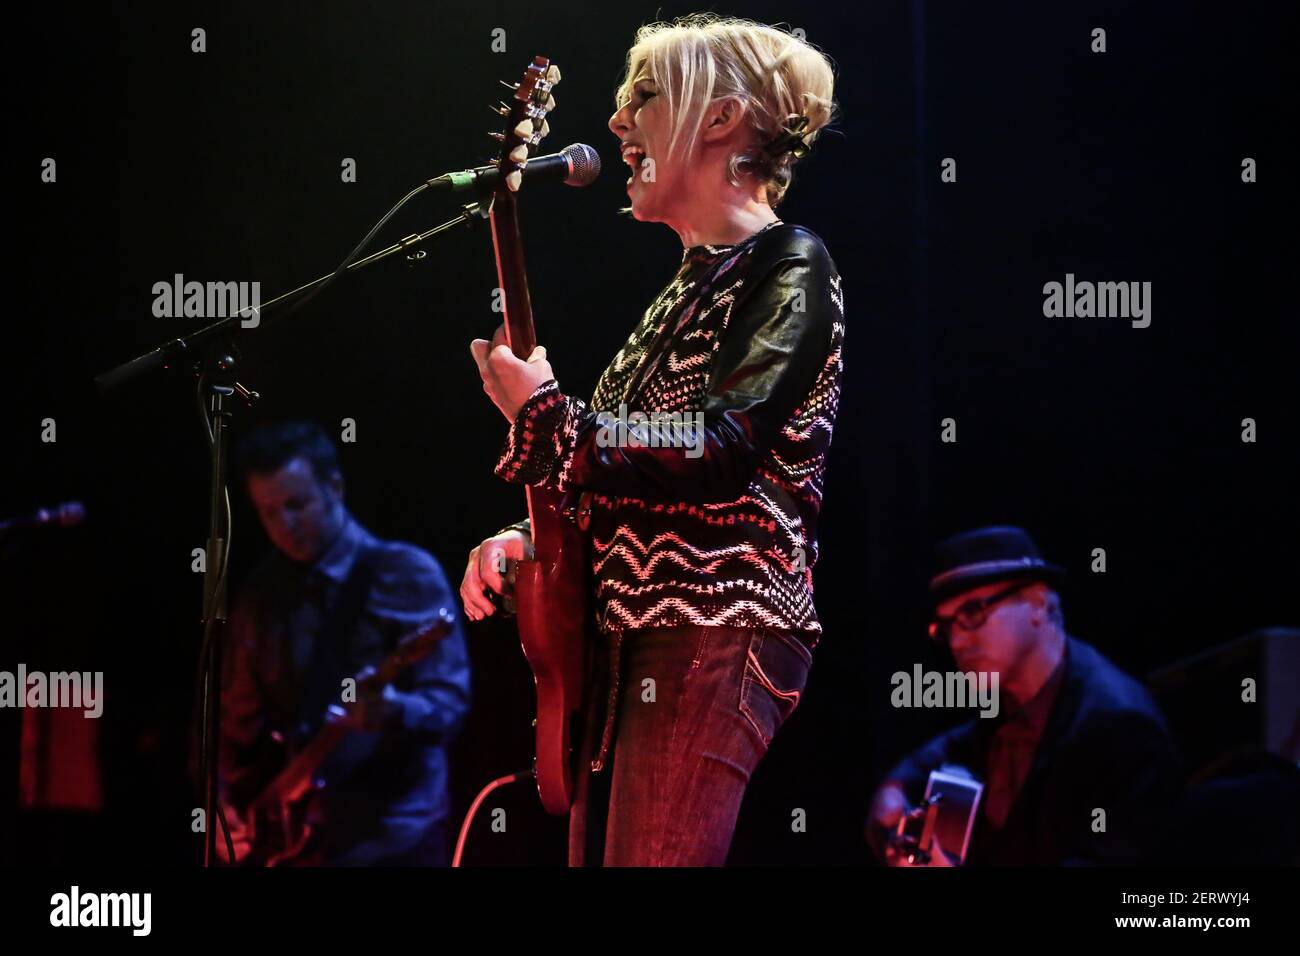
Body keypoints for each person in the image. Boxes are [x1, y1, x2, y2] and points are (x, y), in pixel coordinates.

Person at [462, 15, 844, 866]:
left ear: (719, 120)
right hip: (631, 634)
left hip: (713, 624)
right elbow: (629, 468)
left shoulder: (789, 265)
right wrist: (532, 535)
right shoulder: (682, 291)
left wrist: (553, 417)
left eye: (643, 95)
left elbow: (720, 444)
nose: (617, 123)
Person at [217, 421, 470, 865]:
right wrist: (222, 803)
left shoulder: (405, 573)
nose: (284, 525)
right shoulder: (260, 594)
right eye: (269, 512)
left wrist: (394, 710)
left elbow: (450, 703)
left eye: (297, 505)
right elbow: (232, 722)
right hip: (296, 841)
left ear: (335, 486)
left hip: (394, 835)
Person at [867, 526, 1182, 866]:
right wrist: (895, 790)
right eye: (946, 627)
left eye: (972, 613)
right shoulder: (1008, 700)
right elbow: (951, 747)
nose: (956, 642)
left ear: (1037, 604)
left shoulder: (1122, 728)